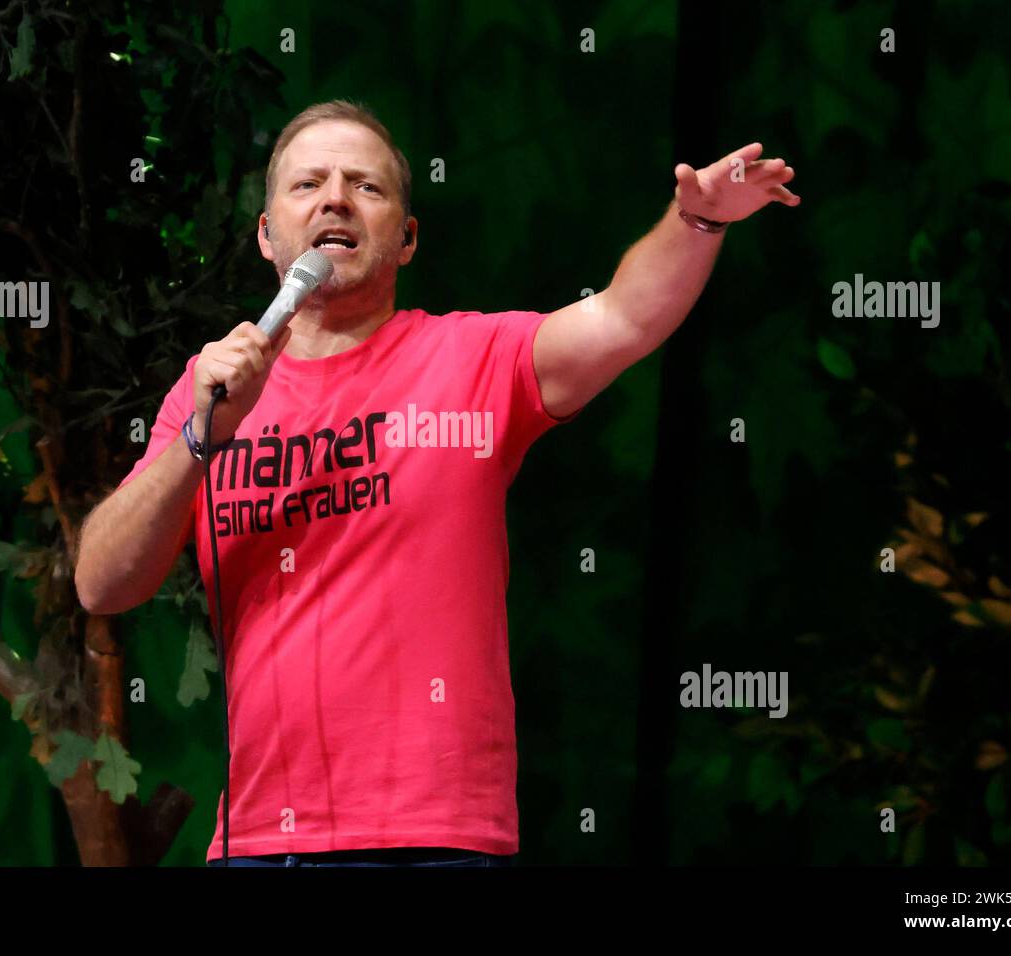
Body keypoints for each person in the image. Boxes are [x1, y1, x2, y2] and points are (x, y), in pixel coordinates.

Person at [74, 99, 799, 867]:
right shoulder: (207, 390)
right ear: (265, 235)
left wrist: (697, 223)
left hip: (438, 839)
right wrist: (202, 438)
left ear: (407, 238)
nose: (335, 199)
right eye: (307, 184)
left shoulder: (472, 359)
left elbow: (623, 319)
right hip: (262, 840)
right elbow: (100, 583)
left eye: (367, 187)